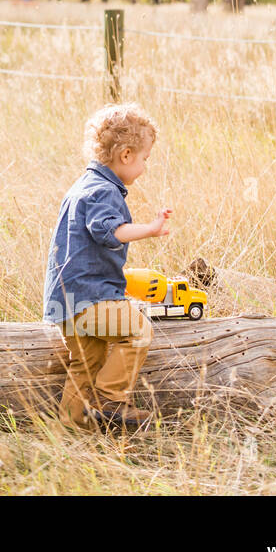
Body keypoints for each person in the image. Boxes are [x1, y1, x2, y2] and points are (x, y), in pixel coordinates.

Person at [43, 102, 171, 431]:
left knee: (86, 363)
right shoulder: (104, 192)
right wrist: (151, 229)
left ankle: (72, 432)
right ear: (126, 155)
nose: (144, 167)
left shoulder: (83, 186)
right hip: (89, 299)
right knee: (138, 330)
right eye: (144, 159)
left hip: (65, 302)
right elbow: (110, 231)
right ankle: (111, 399)